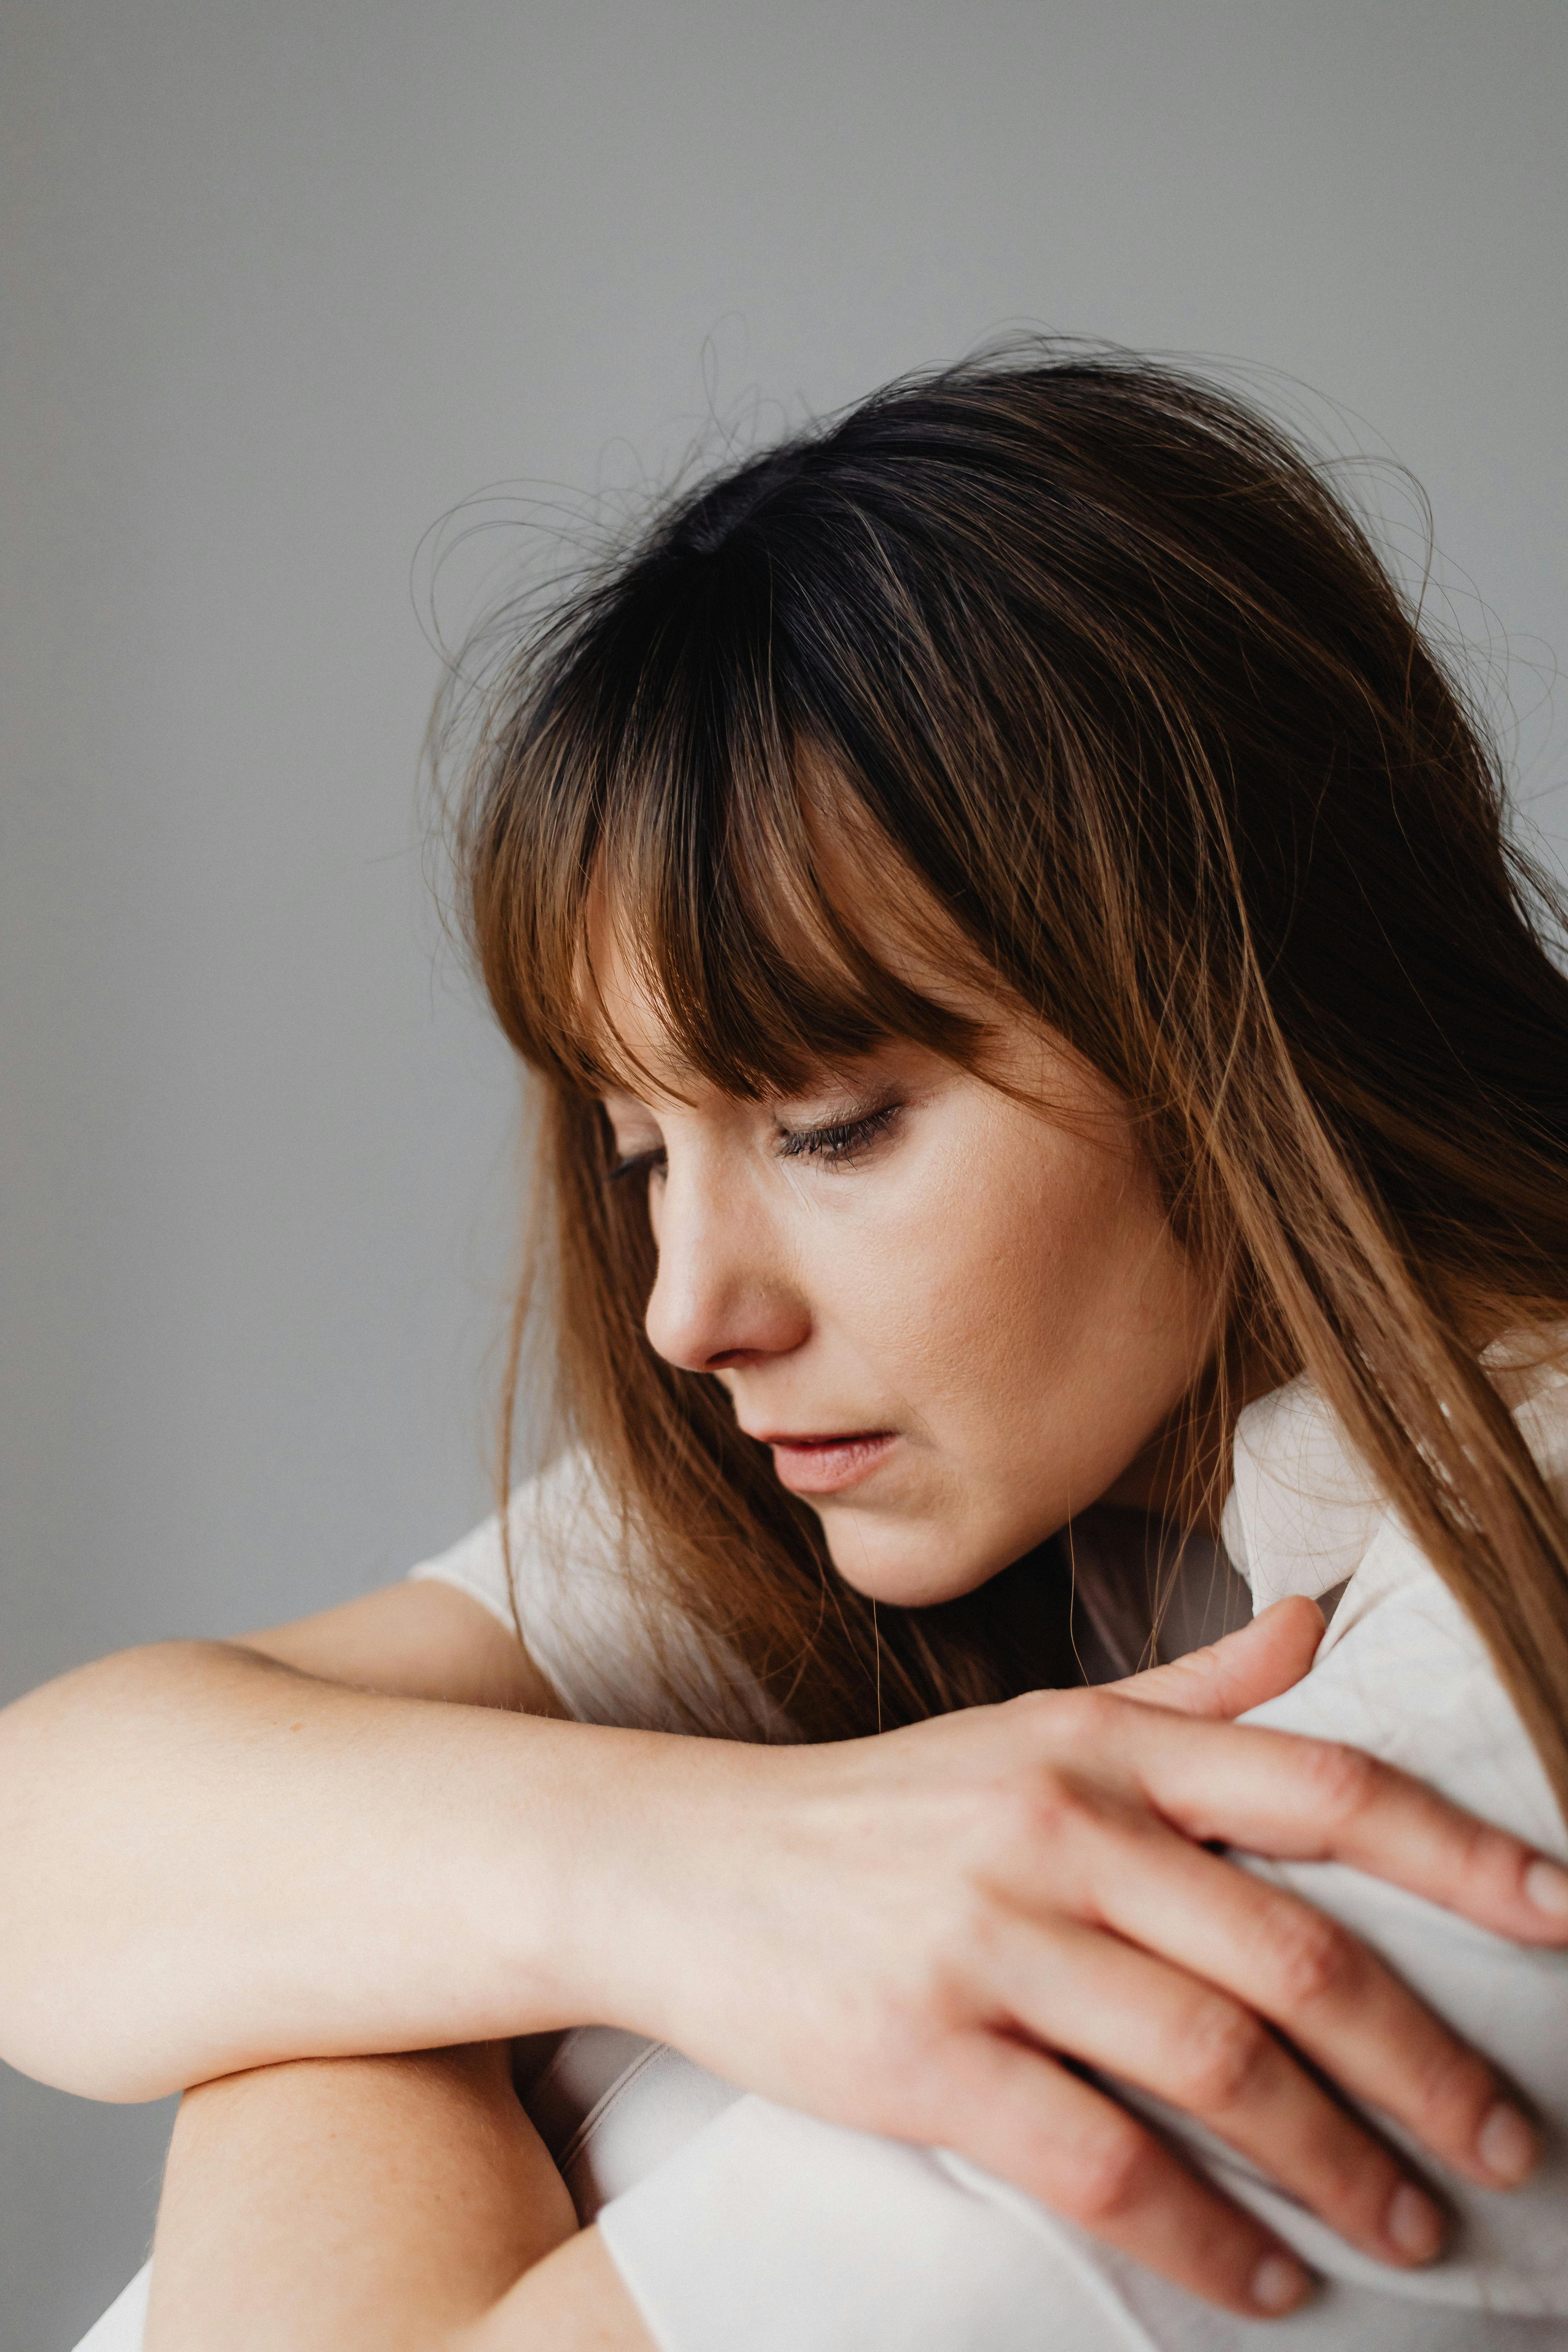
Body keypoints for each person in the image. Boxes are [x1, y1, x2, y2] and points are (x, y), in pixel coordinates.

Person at [7, 345, 1568, 2352]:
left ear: (1243, 1007)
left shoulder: (1482, 1739)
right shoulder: (1030, 1482)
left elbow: (209, 1903)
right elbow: (58, 1836)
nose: (686, 1313)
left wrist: (355, 1938)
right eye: (640, 1151)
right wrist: (691, 1871)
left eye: (829, 1127)